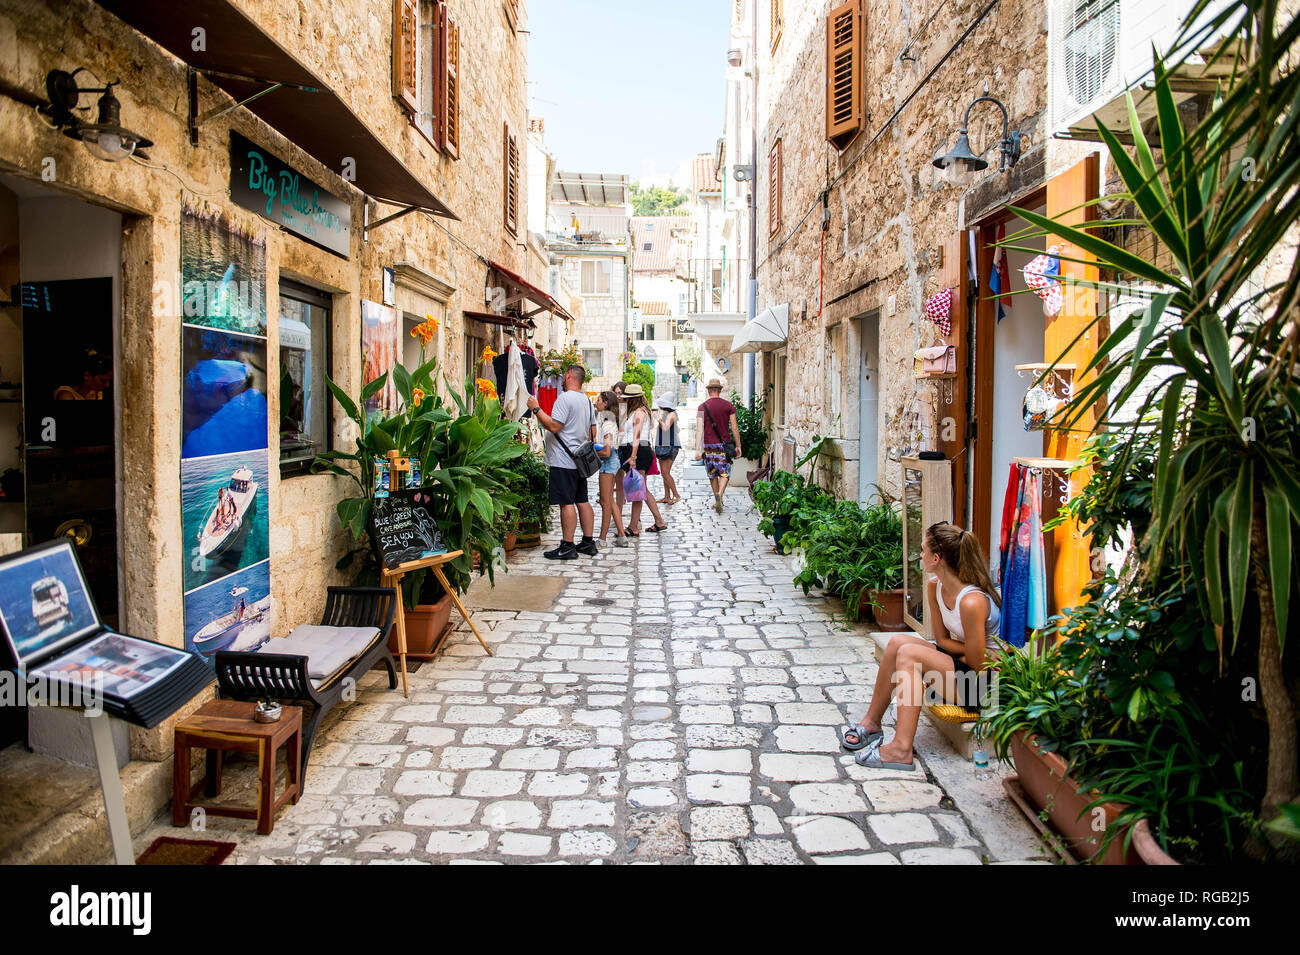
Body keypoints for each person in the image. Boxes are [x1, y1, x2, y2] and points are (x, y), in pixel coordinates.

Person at [840, 522, 1003, 770]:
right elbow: (943, 642)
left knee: (909, 655)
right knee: (896, 643)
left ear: (936, 558)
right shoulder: (935, 586)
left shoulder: (971, 601)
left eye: (924, 551)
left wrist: (974, 652)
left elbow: (979, 664)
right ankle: (872, 722)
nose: (920, 556)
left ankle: (901, 749)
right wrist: (970, 649)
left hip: (985, 687)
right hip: (966, 667)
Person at [527, 364, 598, 559]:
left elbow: (553, 426)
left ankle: (567, 546)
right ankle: (588, 542)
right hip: (579, 460)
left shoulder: (565, 399)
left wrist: (536, 409)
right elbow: (593, 433)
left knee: (566, 503)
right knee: (582, 500)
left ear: (568, 376)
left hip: (563, 459)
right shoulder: (587, 401)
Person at [617, 383, 667, 535]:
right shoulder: (638, 411)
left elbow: (637, 436)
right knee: (639, 488)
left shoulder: (639, 412)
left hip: (637, 451)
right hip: (636, 450)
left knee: (639, 488)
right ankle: (654, 522)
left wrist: (633, 457)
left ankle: (637, 525)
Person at [694, 377, 743, 514]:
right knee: (725, 473)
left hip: (709, 445)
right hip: (723, 445)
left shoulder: (701, 407)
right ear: (720, 390)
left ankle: (717, 497)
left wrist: (697, 449)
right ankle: (719, 496)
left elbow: (699, 429)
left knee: (712, 473)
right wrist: (738, 445)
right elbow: (734, 427)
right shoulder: (728, 406)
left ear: (709, 391)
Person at [594, 391, 629, 547]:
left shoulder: (607, 424)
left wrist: (592, 450)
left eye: (599, 400)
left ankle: (602, 539)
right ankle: (621, 536)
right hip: (613, 462)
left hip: (608, 462)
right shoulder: (612, 422)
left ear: (606, 403)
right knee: (611, 501)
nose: (596, 402)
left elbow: (607, 451)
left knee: (605, 501)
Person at [654, 392, 682, 505]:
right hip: (663, 445)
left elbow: (665, 428)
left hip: (670, 446)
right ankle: (667, 496)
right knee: (664, 473)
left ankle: (676, 495)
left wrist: (657, 419)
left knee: (666, 473)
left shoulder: (672, 414)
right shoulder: (667, 414)